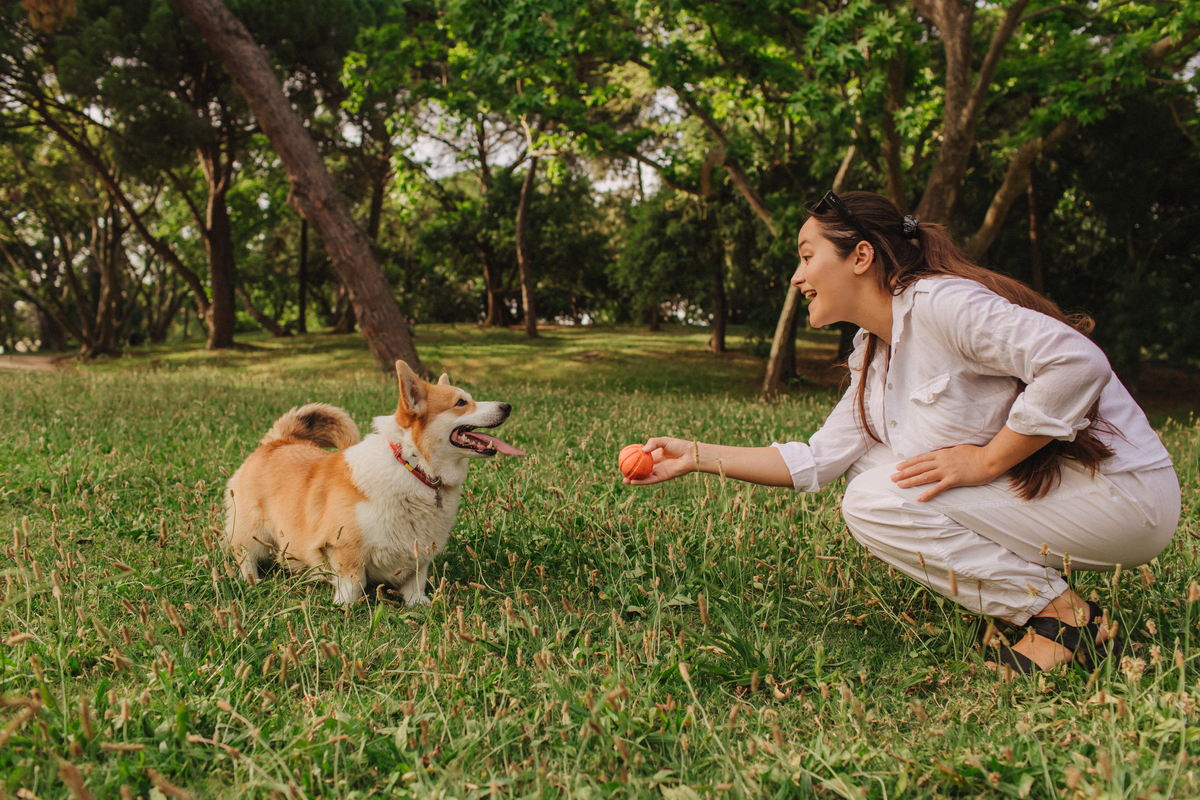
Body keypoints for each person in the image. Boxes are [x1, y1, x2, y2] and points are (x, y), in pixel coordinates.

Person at [627, 190, 1178, 674]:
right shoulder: (874, 350)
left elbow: (1078, 363)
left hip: (1124, 496)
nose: (797, 277)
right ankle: (1044, 607)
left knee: (872, 497)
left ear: (861, 256)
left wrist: (986, 462)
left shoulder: (942, 304)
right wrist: (695, 455)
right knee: (872, 468)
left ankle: (1064, 618)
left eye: (807, 256)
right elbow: (819, 459)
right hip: (1073, 498)